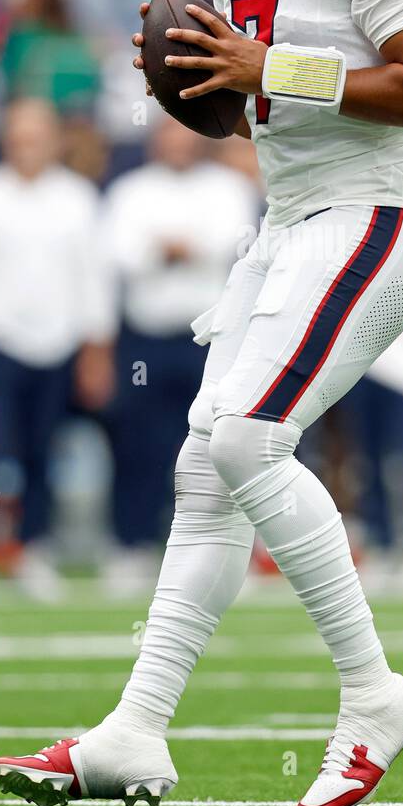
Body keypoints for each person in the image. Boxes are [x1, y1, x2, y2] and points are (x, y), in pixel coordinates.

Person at [0, 0, 403, 806]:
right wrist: (224, 91)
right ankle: (133, 731)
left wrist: (268, 66)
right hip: (289, 215)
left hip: (377, 210)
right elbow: (265, 95)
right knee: (205, 470)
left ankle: (373, 689)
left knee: (251, 439)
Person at [0, 98, 115, 600]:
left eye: (36, 136)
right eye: (18, 136)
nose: (26, 146)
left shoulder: (78, 199)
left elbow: (93, 279)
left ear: (55, 140)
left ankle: (31, 546)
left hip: (58, 344)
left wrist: (94, 349)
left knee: (41, 451)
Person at [101, 117, 259, 596]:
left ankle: (222, 556)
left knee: (219, 447)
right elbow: (120, 253)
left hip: (212, 340)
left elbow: (235, 245)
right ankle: (131, 545)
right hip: (146, 339)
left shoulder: (229, 187)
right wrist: (175, 248)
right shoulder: (129, 191)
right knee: (139, 446)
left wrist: (175, 246)